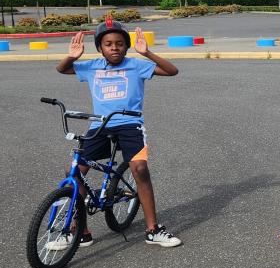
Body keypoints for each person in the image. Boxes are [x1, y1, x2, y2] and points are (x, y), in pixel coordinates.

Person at [51, 18, 182, 249]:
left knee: (139, 169)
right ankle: (79, 230)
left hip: (131, 124)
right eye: (108, 44)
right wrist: (73, 55)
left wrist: (148, 53)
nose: (114, 48)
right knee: (75, 170)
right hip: (100, 125)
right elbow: (62, 69)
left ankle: (153, 229)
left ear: (126, 46)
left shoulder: (136, 65)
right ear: (100, 47)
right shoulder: (92, 67)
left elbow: (172, 71)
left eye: (120, 43)